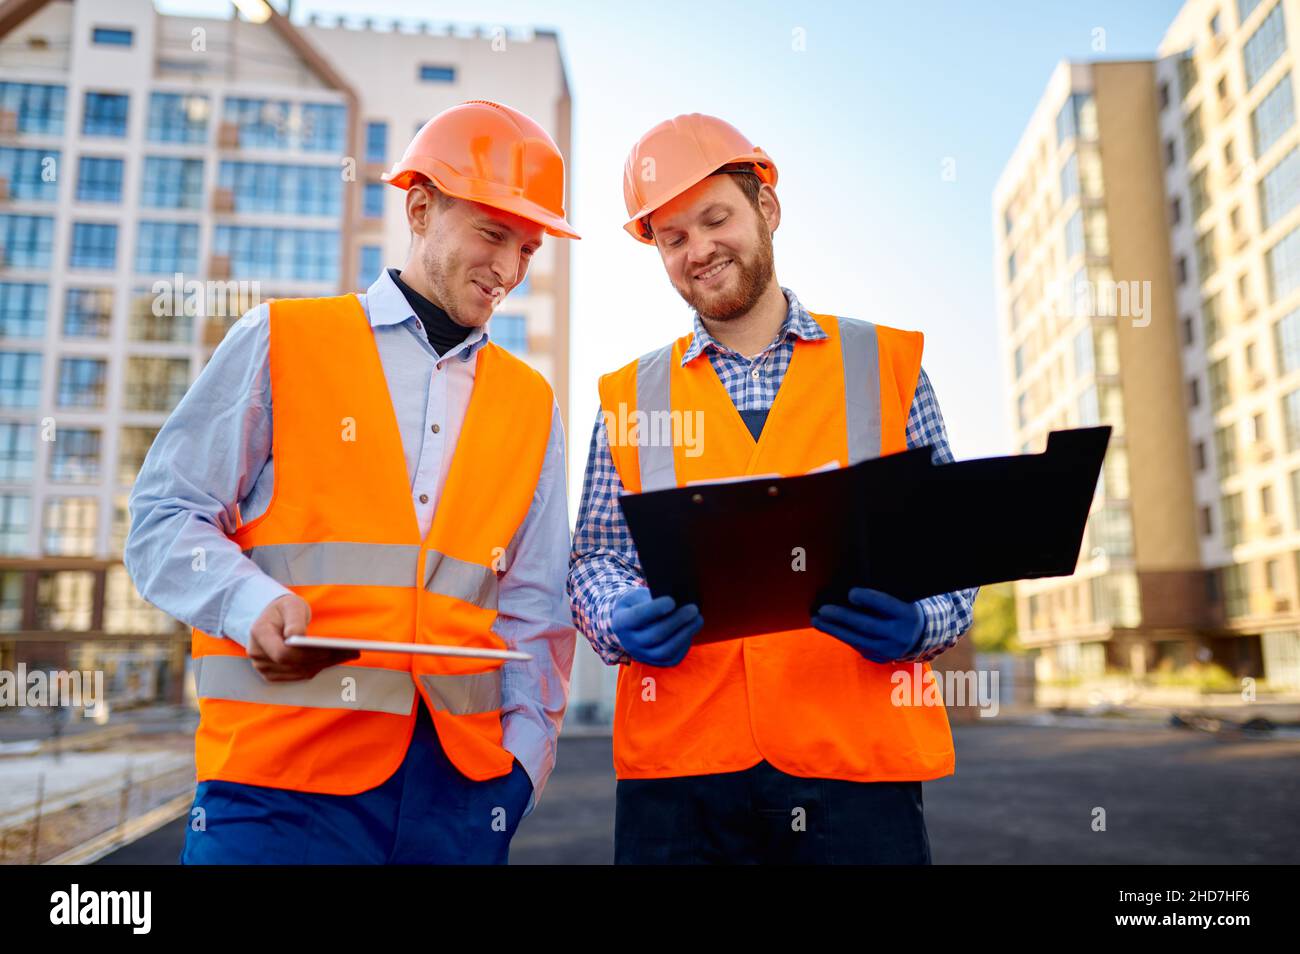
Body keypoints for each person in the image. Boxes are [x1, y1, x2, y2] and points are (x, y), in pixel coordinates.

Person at [125, 100, 579, 864]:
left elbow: (537, 607)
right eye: (493, 233)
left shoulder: (532, 404)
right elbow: (164, 518)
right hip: (278, 790)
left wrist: (520, 772)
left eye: (529, 249)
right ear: (421, 207)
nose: (508, 268)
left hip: (459, 801)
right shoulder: (283, 341)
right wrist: (251, 604)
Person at [568, 112, 979, 864]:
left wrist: (922, 623)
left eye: (715, 219)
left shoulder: (884, 367)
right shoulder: (630, 395)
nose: (699, 250)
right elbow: (594, 557)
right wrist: (612, 617)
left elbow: (951, 553)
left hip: (857, 770)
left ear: (768, 209)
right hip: (682, 779)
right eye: (673, 238)